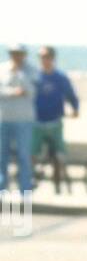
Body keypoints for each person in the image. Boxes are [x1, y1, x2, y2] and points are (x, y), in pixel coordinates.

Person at [32, 46, 79, 195]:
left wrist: (75, 109)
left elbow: (71, 95)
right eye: (41, 57)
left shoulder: (60, 77)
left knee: (58, 155)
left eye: (47, 57)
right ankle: (31, 179)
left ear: (53, 58)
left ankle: (58, 186)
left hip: (55, 121)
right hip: (36, 122)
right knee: (31, 153)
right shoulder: (35, 76)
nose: (44, 60)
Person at [0, 43, 36, 195]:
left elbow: (31, 91)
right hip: (4, 119)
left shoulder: (32, 70)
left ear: (24, 55)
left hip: (24, 120)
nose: (16, 56)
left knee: (23, 155)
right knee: (2, 156)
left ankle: (25, 190)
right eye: (14, 53)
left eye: (19, 53)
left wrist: (19, 74)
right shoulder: (2, 69)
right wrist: (14, 92)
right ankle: (2, 189)